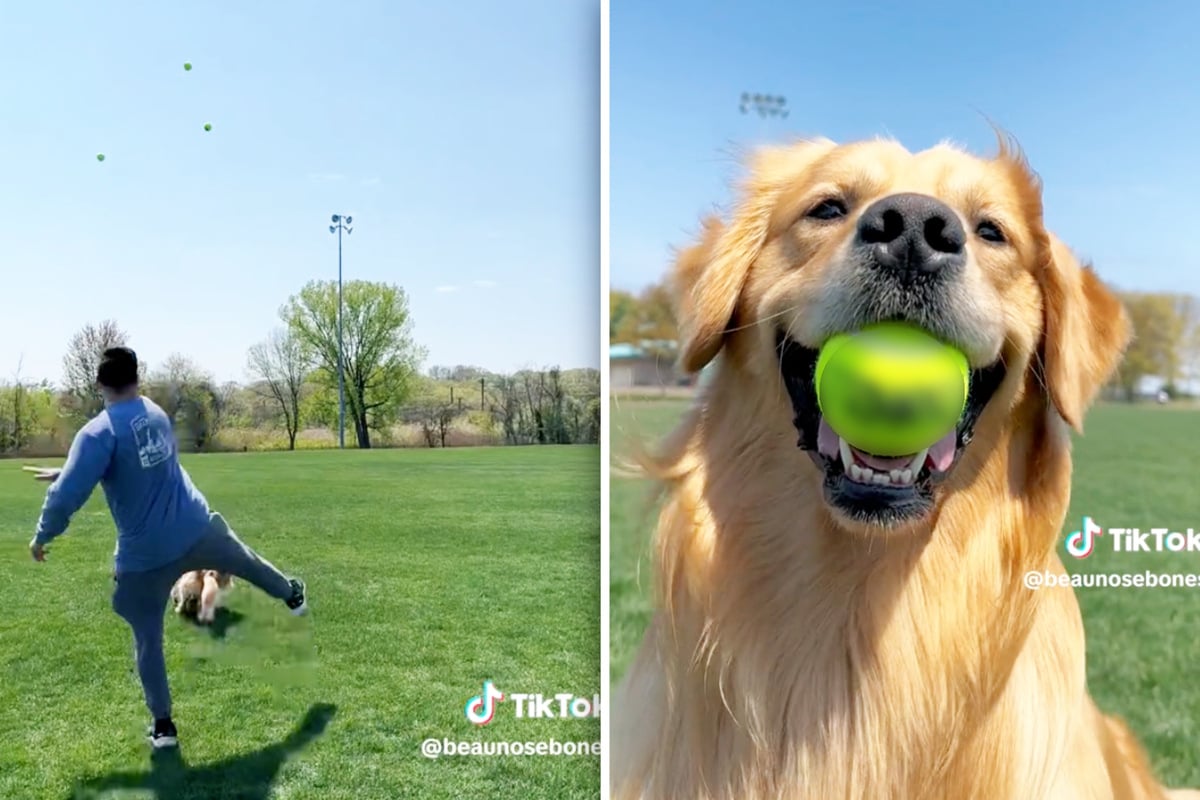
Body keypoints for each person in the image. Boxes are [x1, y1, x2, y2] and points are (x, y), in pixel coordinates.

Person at [28, 346, 309, 750]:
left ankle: (163, 726)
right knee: (246, 562)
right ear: (137, 377)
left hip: (146, 556)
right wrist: (70, 470)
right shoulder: (155, 413)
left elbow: (65, 497)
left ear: (99, 384)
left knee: (148, 639)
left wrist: (42, 536)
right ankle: (291, 594)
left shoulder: (96, 433)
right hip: (195, 527)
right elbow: (139, 461)